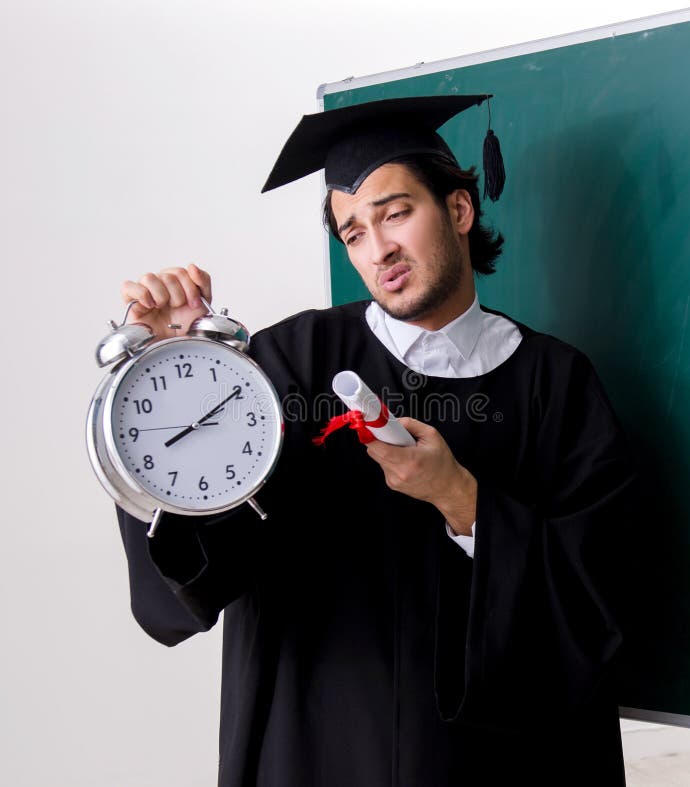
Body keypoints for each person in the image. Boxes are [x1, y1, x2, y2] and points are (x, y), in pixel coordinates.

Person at [115, 95, 637, 786]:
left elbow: (595, 602)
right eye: (353, 232)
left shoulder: (556, 385)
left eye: (395, 213)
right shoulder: (289, 364)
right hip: (311, 745)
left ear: (457, 210)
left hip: (490, 761)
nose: (378, 247)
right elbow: (203, 558)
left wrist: (462, 498)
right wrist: (180, 375)